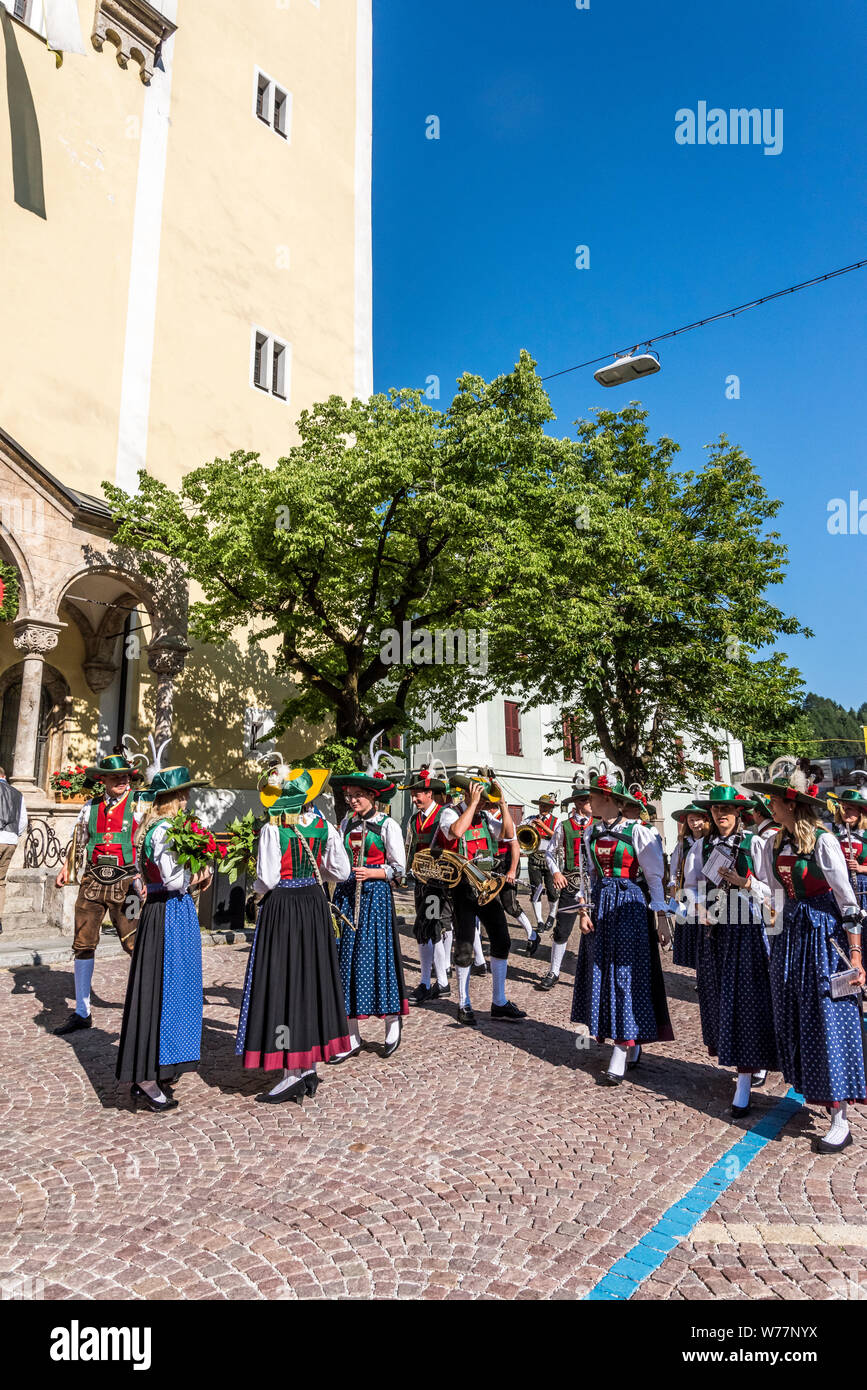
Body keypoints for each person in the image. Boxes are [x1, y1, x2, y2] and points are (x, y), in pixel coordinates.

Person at [744, 772, 867, 1152]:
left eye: (776, 802)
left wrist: (857, 956)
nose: (770, 807)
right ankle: (814, 1088)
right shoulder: (772, 841)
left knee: (827, 1014)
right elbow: (773, 892)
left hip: (822, 932)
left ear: (792, 805)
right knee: (795, 1012)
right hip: (791, 933)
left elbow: (848, 903)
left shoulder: (825, 842)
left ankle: (840, 1118)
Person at [236, 769, 352, 1104]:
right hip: (314, 906)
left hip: (283, 909)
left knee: (283, 983)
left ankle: (291, 1073)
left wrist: (254, 893)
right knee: (311, 982)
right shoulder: (324, 826)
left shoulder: (274, 830)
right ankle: (309, 1064)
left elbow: (269, 878)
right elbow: (341, 872)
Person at [115, 765, 211, 1112]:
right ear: (174, 798)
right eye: (183, 794)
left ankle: (160, 1067)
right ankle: (147, 1075)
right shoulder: (165, 830)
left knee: (172, 988)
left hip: (166, 910)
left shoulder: (151, 828)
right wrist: (198, 872)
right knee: (165, 988)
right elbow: (172, 880)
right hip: (168, 910)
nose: (187, 799)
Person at [570, 774, 673, 1083]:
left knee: (626, 974)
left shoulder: (639, 832)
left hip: (629, 904)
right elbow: (586, 875)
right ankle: (627, 1038)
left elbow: (655, 878)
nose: (590, 801)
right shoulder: (590, 833)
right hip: (601, 904)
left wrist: (663, 917)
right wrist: (583, 911)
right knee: (603, 972)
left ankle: (622, 1046)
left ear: (612, 800)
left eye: (595, 796)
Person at [683, 785, 778, 1116]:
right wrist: (700, 910)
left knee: (750, 1000)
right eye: (714, 809)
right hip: (716, 934)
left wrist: (746, 884)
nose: (720, 814)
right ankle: (747, 1063)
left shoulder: (757, 844)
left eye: (726, 809)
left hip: (749, 930)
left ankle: (745, 1077)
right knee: (724, 1000)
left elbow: (774, 892)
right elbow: (690, 888)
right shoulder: (701, 846)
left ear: (739, 813)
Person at [53, 753, 145, 1035]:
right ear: (101, 779)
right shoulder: (89, 807)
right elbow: (79, 839)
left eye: (125, 775)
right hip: (92, 883)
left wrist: (144, 876)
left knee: (135, 943)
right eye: (116, 776)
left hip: (127, 885)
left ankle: (147, 1006)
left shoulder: (140, 805)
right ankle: (82, 1012)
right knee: (83, 943)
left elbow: (150, 839)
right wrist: (67, 868)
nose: (122, 780)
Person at [328, 762, 408, 1061]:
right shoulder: (345, 824)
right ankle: (351, 1037)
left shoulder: (389, 825)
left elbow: (400, 868)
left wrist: (374, 873)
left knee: (377, 958)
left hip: (375, 898)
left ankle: (391, 1022)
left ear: (373, 797)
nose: (352, 800)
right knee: (346, 961)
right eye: (349, 795)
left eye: (358, 795)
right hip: (349, 895)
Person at [435, 772, 526, 1027]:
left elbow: (508, 836)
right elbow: (455, 833)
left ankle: (499, 1001)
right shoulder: (450, 812)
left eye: (487, 801)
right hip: (462, 888)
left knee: (502, 939)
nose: (486, 804)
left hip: (487, 887)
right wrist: (473, 804)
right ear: (470, 795)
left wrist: (504, 806)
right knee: (464, 946)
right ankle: (464, 1003)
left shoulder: (486, 816)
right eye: (483, 800)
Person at [403, 766, 454, 1002]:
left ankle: (435, 982)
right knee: (424, 928)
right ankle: (436, 981)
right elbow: (411, 846)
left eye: (418, 794)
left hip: (437, 883)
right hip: (420, 881)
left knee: (431, 927)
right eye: (413, 795)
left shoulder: (444, 814)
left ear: (429, 794)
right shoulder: (415, 819)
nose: (414, 799)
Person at [535, 786, 592, 991]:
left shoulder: (600, 825)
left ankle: (593, 974)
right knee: (562, 930)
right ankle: (554, 971)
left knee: (594, 929)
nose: (589, 803)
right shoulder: (564, 826)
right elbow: (549, 853)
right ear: (577, 803)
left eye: (590, 799)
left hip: (594, 887)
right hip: (571, 884)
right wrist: (556, 872)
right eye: (585, 800)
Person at [486, 798, 540, 956]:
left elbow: (513, 844)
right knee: (491, 904)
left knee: (510, 904)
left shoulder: (503, 818)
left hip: (507, 862)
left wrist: (512, 870)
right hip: (490, 864)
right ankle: (498, 940)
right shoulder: (483, 817)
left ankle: (532, 935)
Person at [668, 803, 711, 970]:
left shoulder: (710, 841)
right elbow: (675, 869)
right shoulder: (682, 843)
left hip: (709, 892)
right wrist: (674, 894)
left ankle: (707, 970)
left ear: (705, 820)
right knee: (691, 934)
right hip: (689, 892)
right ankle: (698, 973)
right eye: (691, 820)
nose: (694, 824)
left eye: (698, 819)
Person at [521, 794, 561, 935]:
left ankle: (551, 916)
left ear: (551, 808)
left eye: (546, 806)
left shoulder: (557, 822)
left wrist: (543, 825)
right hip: (534, 857)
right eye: (541, 805)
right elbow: (520, 832)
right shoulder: (531, 819)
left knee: (552, 891)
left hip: (549, 858)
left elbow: (558, 837)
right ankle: (539, 921)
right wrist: (529, 826)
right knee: (536, 890)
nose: (543, 808)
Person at [0, 765, 27, 935]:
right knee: (0, 882)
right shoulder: (17, 793)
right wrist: (12, 835)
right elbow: (23, 821)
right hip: (10, 841)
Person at [832, 788, 867, 912]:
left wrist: (860, 868)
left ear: (860, 811)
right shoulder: (833, 831)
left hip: (862, 887)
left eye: (850, 809)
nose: (845, 812)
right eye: (843, 809)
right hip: (839, 887)